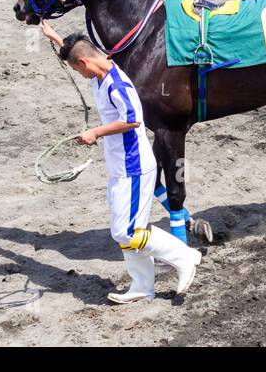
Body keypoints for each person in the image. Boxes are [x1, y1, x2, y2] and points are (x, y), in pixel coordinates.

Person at [41, 21, 201, 304]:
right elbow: (76, 51)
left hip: (134, 167)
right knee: (124, 229)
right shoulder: (98, 72)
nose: (79, 74)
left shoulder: (116, 84)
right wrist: (55, 37)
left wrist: (95, 132)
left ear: (84, 61)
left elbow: (131, 120)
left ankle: (184, 256)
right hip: (119, 168)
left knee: (126, 231)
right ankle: (142, 285)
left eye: (78, 69)